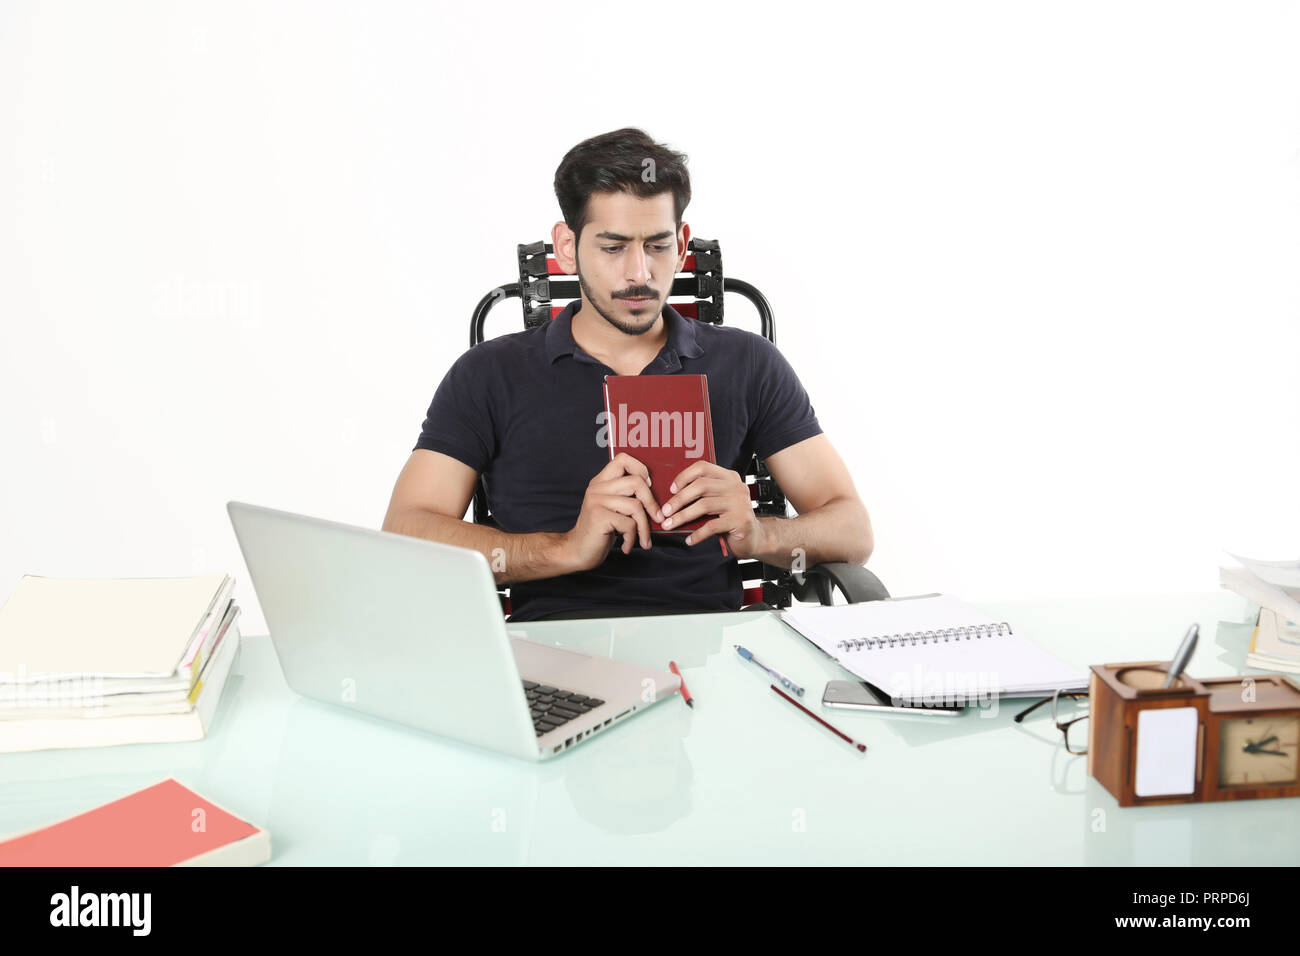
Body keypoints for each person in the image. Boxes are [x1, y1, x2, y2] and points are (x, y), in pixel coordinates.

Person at [382, 127, 873, 621]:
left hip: (710, 647)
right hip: (553, 650)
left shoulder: (748, 363)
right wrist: (566, 548)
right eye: (613, 248)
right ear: (567, 247)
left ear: (682, 244)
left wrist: (759, 533)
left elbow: (853, 529)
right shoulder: (490, 374)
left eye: (657, 246)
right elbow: (406, 532)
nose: (639, 273)